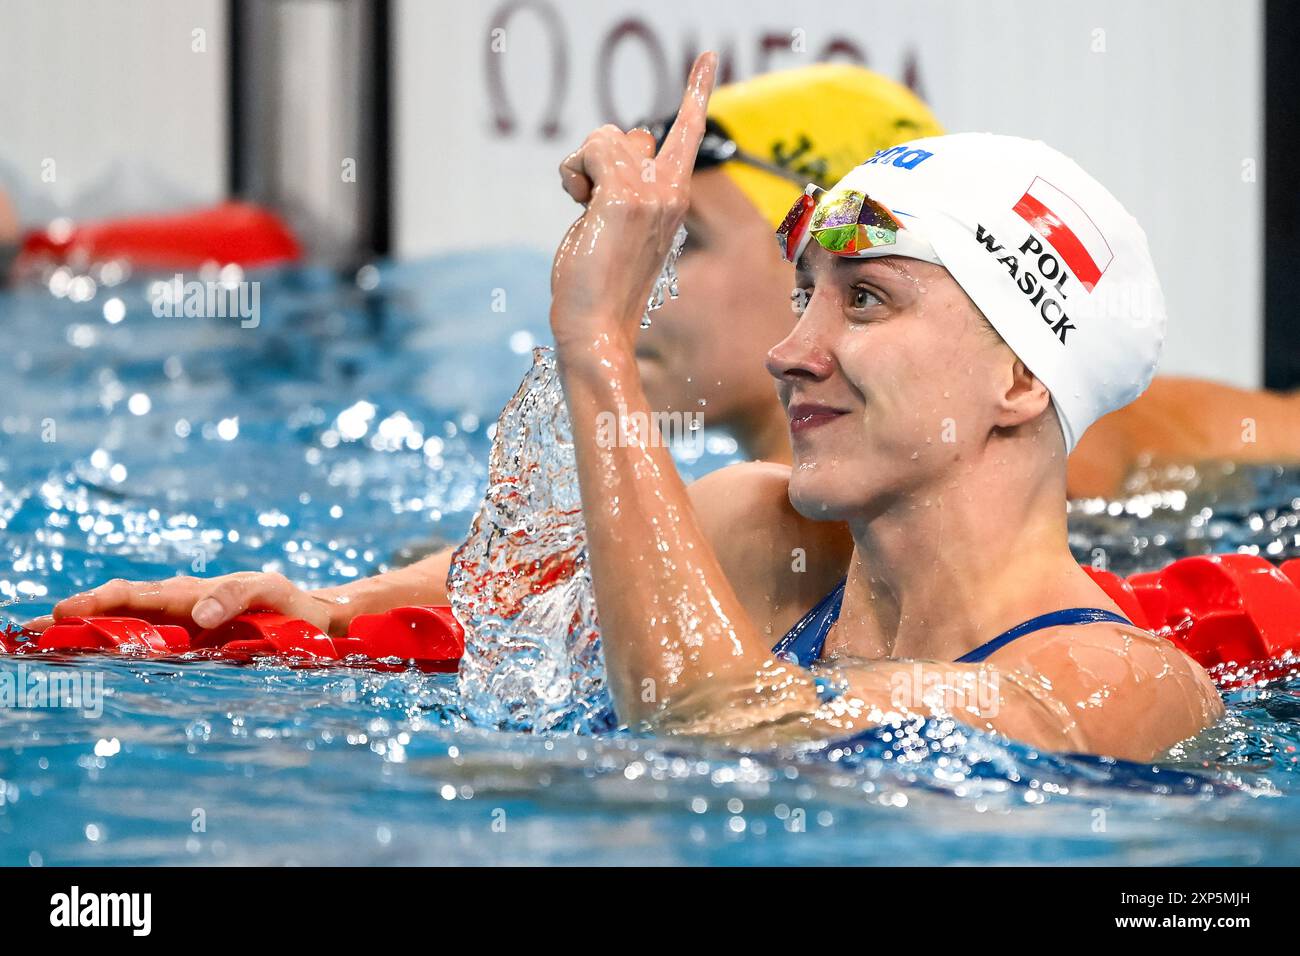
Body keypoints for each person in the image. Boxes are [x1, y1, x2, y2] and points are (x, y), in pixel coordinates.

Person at [544, 53, 1221, 762]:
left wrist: (597, 342)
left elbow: (713, 722)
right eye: (805, 297)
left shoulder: (1120, 685)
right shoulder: (756, 536)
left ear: (1020, 379)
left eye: (866, 301)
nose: (789, 352)